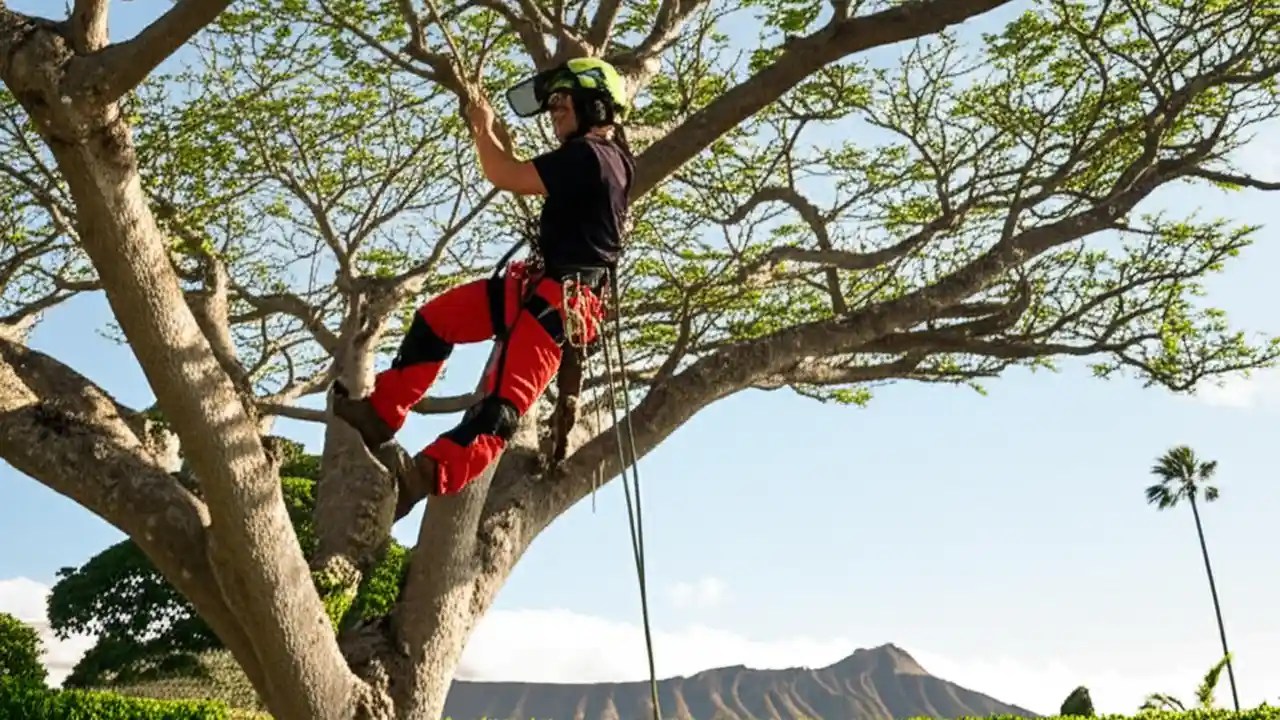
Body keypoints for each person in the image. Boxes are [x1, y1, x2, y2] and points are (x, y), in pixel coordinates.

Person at [332, 57, 635, 517]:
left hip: (562, 301)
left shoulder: (590, 157)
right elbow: (520, 168)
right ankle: (380, 413)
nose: (554, 111)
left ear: (595, 106)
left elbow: (504, 174)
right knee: (437, 320)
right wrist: (489, 128)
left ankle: (426, 474)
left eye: (562, 102)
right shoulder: (607, 159)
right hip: (537, 285)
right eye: (551, 103)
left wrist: (481, 127)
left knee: (501, 407)